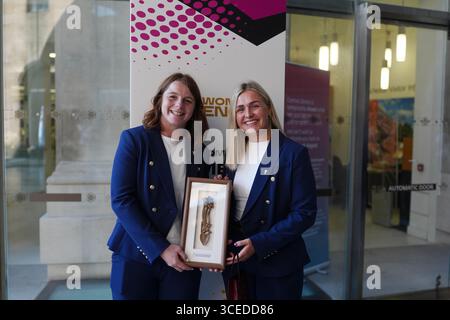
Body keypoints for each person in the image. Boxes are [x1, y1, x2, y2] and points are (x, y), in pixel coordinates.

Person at [107, 73, 210, 300]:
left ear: (195, 108)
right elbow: (121, 200)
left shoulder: (201, 149)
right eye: (172, 97)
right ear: (160, 100)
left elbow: (208, 202)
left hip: (183, 259)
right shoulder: (135, 140)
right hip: (136, 255)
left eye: (187, 100)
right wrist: (162, 249)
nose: (179, 105)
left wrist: (210, 250)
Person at [222, 81, 317, 300]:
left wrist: (259, 243)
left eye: (254, 106)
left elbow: (305, 213)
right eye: (240, 109)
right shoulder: (231, 154)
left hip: (277, 264)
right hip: (237, 263)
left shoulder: (293, 154)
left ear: (268, 109)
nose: (248, 114)